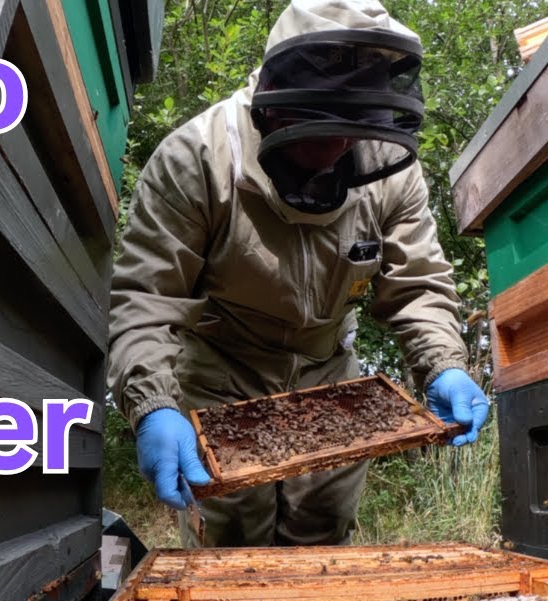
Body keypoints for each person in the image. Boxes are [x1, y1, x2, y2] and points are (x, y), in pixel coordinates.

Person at [107, 0, 489, 548]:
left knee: (325, 523)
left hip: (328, 366)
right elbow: (147, 296)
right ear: (277, 103)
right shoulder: (196, 159)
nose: (341, 147)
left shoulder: (390, 174)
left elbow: (417, 284)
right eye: (324, 124)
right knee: (232, 535)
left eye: (355, 125)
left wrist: (441, 364)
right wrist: (152, 405)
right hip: (222, 366)